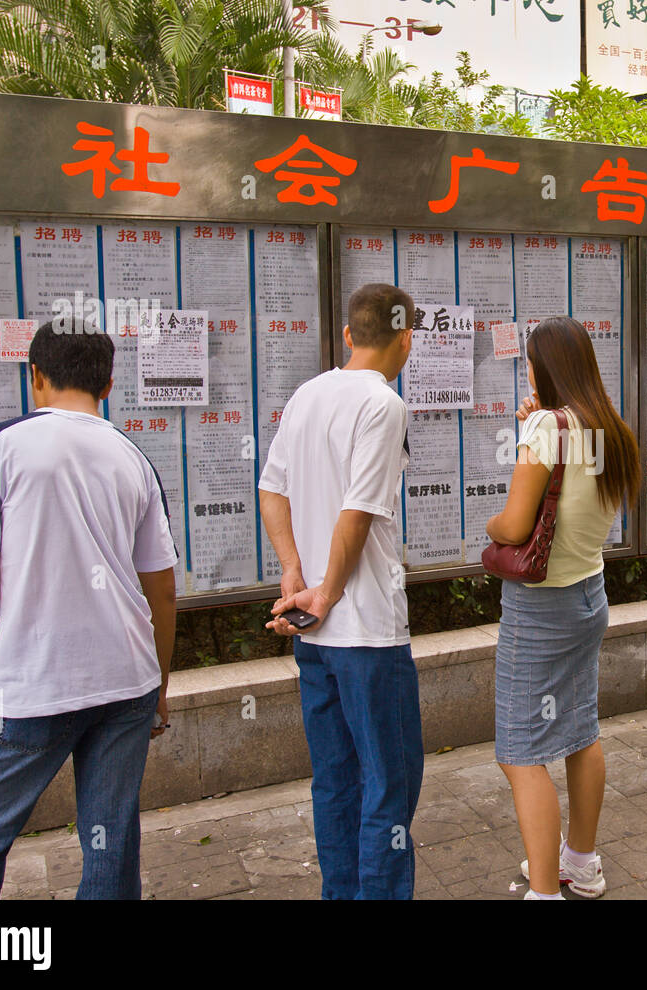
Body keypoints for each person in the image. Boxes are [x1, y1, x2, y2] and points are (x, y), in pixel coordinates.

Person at [0, 320, 178, 900]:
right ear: (109, 383)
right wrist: (160, 687)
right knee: (109, 844)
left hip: (31, 686)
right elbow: (163, 590)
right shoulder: (132, 457)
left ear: (36, 376)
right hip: (127, 683)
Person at [258, 282, 422, 900]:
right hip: (367, 630)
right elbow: (357, 512)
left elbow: (271, 488)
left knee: (334, 778)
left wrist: (293, 574)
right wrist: (325, 591)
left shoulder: (308, 394)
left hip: (315, 633)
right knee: (390, 782)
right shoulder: (383, 406)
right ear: (405, 340)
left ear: (350, 335)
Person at [487, 316, 641, 900]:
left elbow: (516, 523)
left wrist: (489, 526)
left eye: (529, 361)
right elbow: (574, 496)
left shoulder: (546, 429)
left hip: (539, 607)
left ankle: (546, 891)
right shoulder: (607, 429)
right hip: (588, 596)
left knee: (520, 752)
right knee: (579, 732)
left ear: (542, 367)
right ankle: (581, 861)